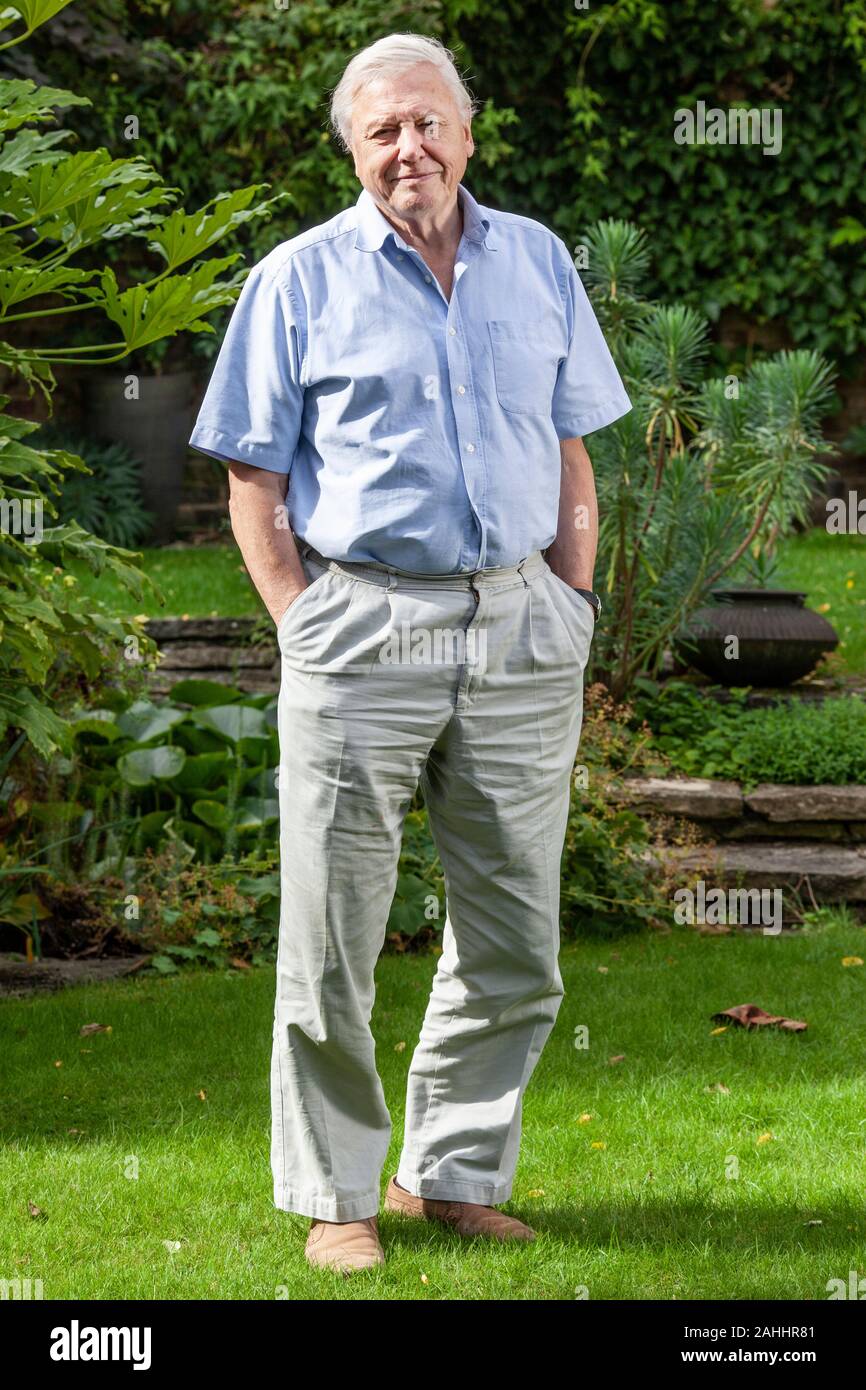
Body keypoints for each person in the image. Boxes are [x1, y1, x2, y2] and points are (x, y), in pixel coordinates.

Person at [189, 32, 632, 1275]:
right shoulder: (296, 279)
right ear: (352, 148)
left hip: (519, 625)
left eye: (429, 124)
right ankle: (337, 1191)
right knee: (330, 932)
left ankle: (451, 1171)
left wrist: (570, 601)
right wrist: (304, 620)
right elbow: (251, 479)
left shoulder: (536, 261)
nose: (409, 149)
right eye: (383, 131)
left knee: (514, 935)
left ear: (468, 135)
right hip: (361, 627)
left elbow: (570, 449)